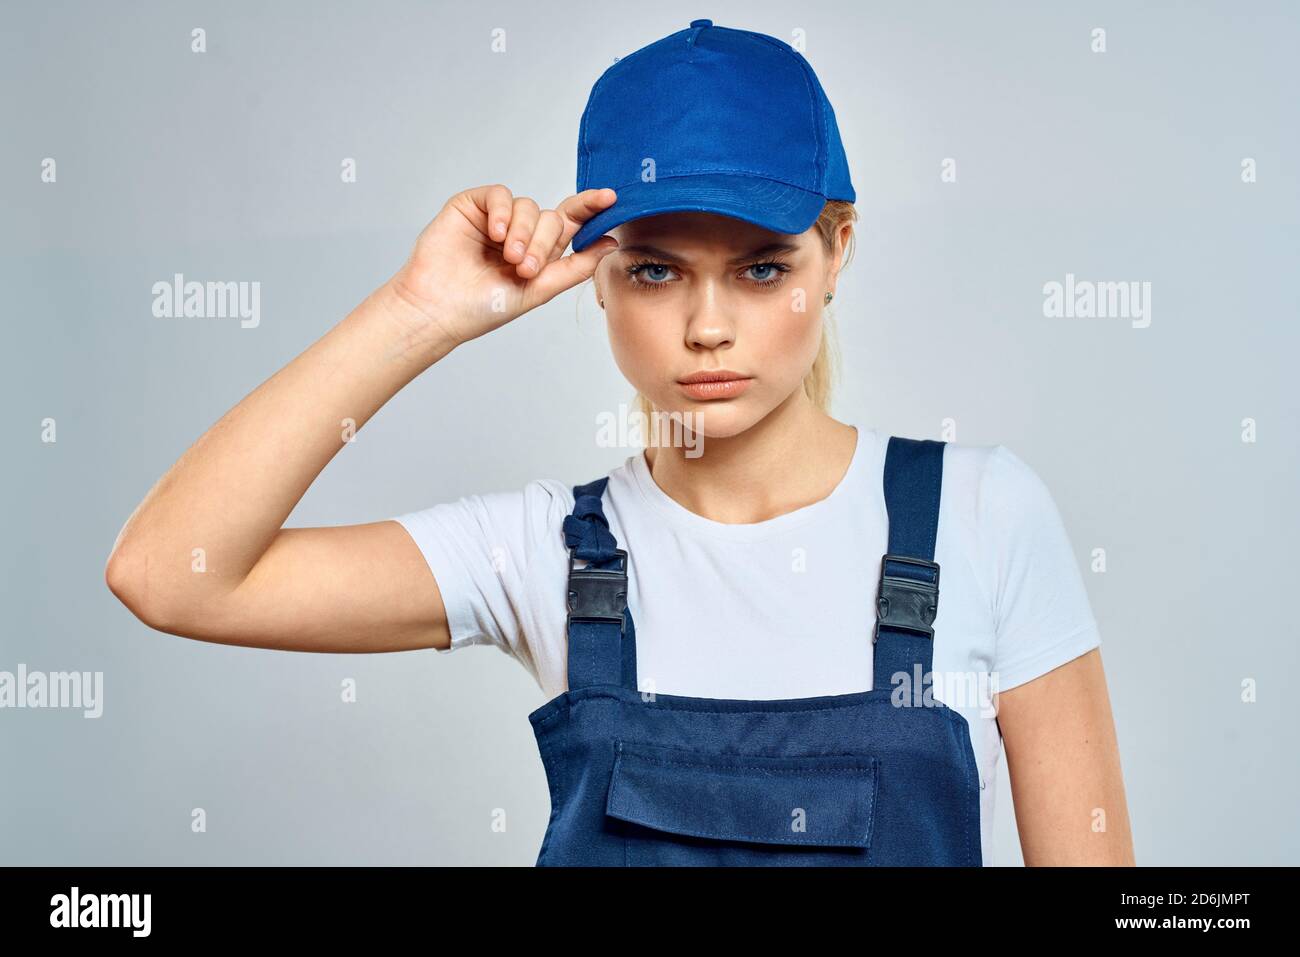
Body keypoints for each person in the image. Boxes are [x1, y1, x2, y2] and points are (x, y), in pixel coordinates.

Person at [105, 19, 1133, 866]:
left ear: (837, 253)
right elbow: (171, 574)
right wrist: (420, 310)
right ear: (591, 271)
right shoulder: (544, 551)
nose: (706, 324)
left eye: (762, 268)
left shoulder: (980, 516)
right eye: (653, 269)